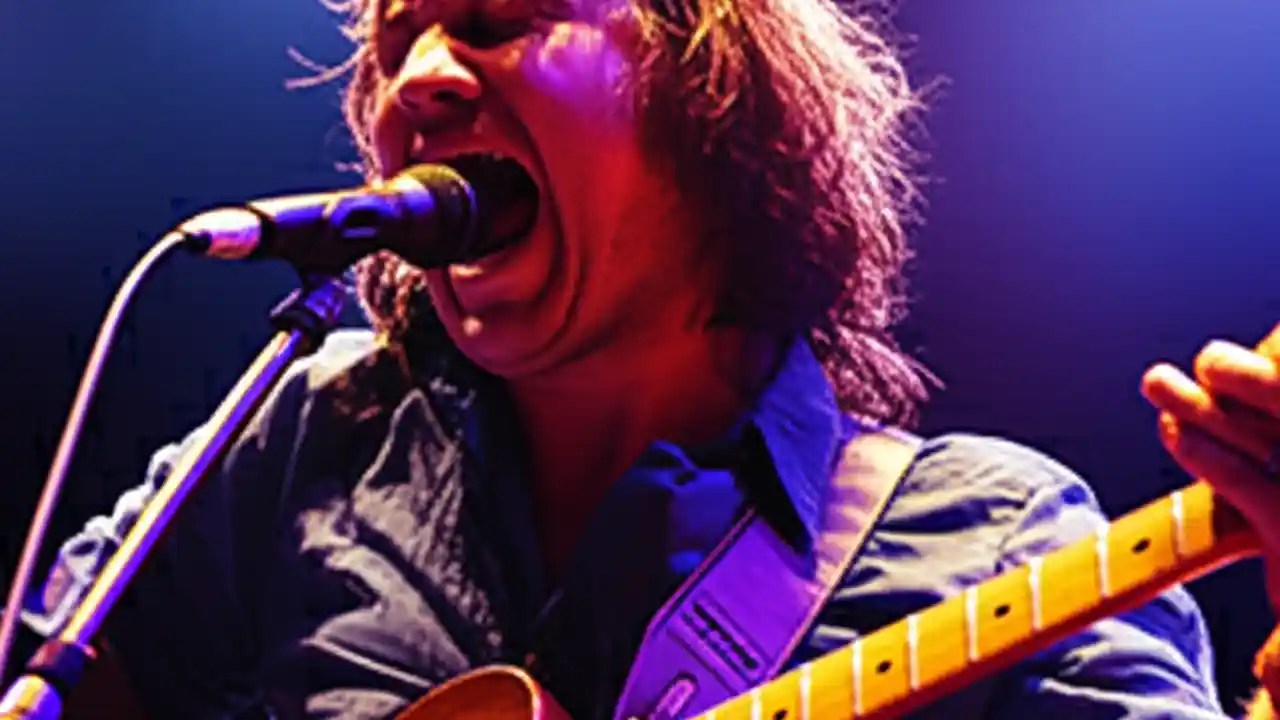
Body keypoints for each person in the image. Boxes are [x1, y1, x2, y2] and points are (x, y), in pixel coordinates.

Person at [14, 0, 1280, 717]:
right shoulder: (301, 440)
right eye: (398, 40)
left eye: (499, 17)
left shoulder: (996, 540)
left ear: (711, 102)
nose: (424, 76)